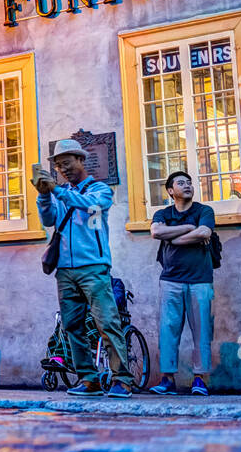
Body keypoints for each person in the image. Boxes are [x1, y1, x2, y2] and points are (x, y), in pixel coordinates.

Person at [36, 139, 134, 398]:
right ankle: (87, 378)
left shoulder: (100, 190)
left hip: (94, 267)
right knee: (72, 326)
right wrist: (44, 195)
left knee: (107, 323)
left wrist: (56, 190)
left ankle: (121, 379)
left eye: (67, 163)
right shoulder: (60, 193)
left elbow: (89, 205)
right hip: (65, 270)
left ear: (81, 160)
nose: (63, 169)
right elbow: (48, 219)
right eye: (58, 165)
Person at [149, 171, 215, 396]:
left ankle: (200, 379)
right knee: (168, 329)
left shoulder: (204, 211)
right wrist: (188, 228)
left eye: (189, 182)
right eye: (181, 183)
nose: (187, 186)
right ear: (170, 191)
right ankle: (167, 379)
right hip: (171, 280)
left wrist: (174, 238)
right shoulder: (162, 213)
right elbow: (156, 231)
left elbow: (205, 231)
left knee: (202, 330)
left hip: (200, 280)